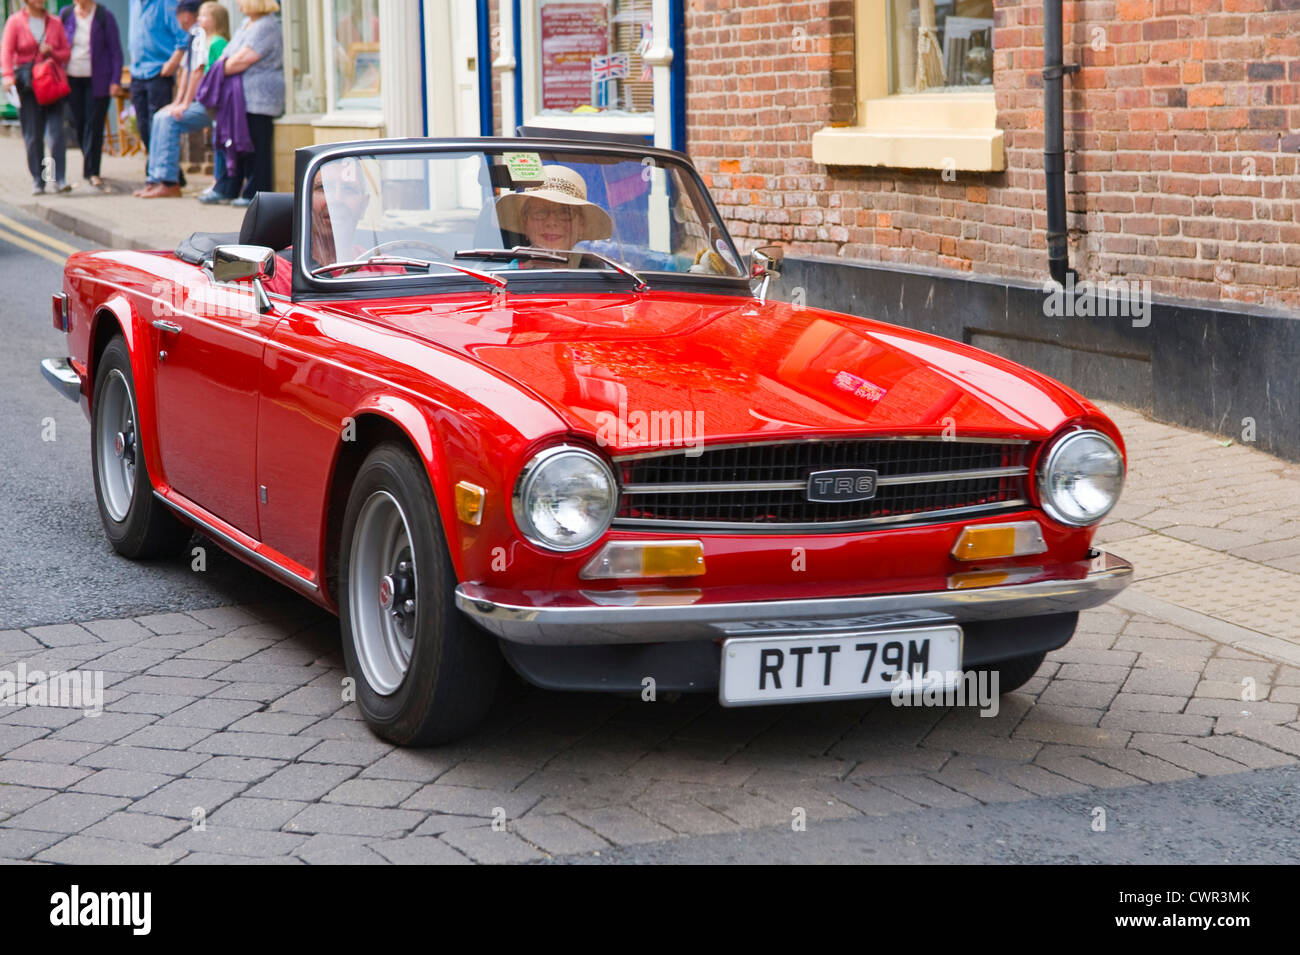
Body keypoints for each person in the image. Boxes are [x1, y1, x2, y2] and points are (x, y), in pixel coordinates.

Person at [209, 0, 282, 208]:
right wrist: (224, 64)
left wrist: (223, 66)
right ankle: (236, 189)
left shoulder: (266, 25)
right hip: (242, 98)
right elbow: (227, 55)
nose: (238, 3)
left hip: (261, 97)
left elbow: (241, 59)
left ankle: (255, 194)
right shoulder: (245, 24)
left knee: (257, 148)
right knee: (242, 146)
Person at [134, 0, 210, 198]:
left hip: (205, 103)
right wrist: (177, 102)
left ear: (187, 14)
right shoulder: (193, 35)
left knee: (168, 121)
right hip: (189, 100)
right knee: (160, 116)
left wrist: (185, 103)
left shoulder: (200, 35)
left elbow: (197, 71)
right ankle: (154, 179)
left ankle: (169, 182)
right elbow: (185, 71)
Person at [1, 0, 71, 195]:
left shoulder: (55, 22)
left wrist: (52, 52)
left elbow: (66, 53)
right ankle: (39, 180)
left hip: (51, 86)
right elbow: (6, 52)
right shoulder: (15, 22)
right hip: (28, 87)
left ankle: (57, 178)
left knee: (55, 136)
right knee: (33, 137)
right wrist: (7, 76)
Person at [494, 165, 613, 265]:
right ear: (525, 223)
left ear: (580, 226)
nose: (551, 222)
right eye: (540, 212)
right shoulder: (495, 283)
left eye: (565, 213)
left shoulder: (605, 280)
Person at [61, 0, 123, 190]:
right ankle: (89, 164)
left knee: (94, 125)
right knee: (78, 123)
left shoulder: (105, 16)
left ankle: (92, 171)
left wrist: (115, 80)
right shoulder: (66, 14)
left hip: (99, 80)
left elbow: (115, 51)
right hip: (72, 79)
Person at [127, 0, 187, 156]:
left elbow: (183, 37)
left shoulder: (166, 3)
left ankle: (163, 172)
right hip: (138, 72)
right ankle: (159, 169)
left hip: (159, 72)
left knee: (158, 127)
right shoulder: (133, 3)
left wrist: (172, 63)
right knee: (142, 125)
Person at [194, 1, 227, 201]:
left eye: (205, 16)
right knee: (216, 141)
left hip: (218, 100)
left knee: (219, 141)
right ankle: (217, 181)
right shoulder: (205, 41)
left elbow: (218, 72)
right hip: (210, 99)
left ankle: (220, 182)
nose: (200, 19)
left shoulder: (218, 43)